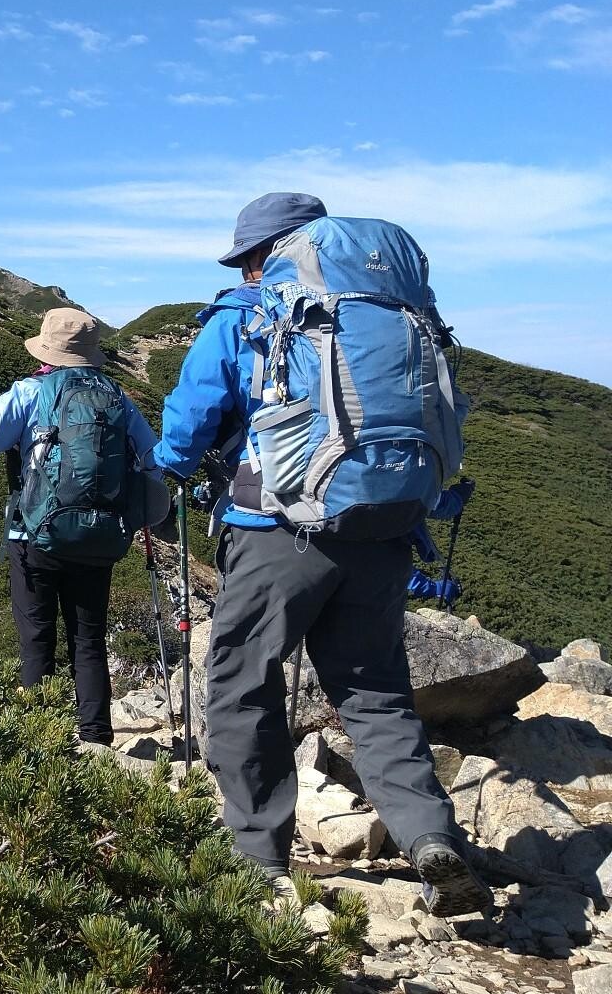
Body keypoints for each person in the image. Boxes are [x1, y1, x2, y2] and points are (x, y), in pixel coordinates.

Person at [148, 192, 488, 917]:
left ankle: (256, 857)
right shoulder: (396, 310)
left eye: (246, 258)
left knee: (244, 683)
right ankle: (429, 836)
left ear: (264, 254)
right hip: (384, 528)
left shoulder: (247, 314)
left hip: (277, 530)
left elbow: (190, 419)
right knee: (375, 694)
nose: (246, 271)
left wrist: (169, 467)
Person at [0, 307, 159, 749]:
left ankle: (38, 742)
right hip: (99, 537)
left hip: (34, 538)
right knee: (88, 640)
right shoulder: (116, 396)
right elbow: (152, 460)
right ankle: (96, 739)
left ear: (46, 350)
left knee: (37, 639)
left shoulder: (29, 392)